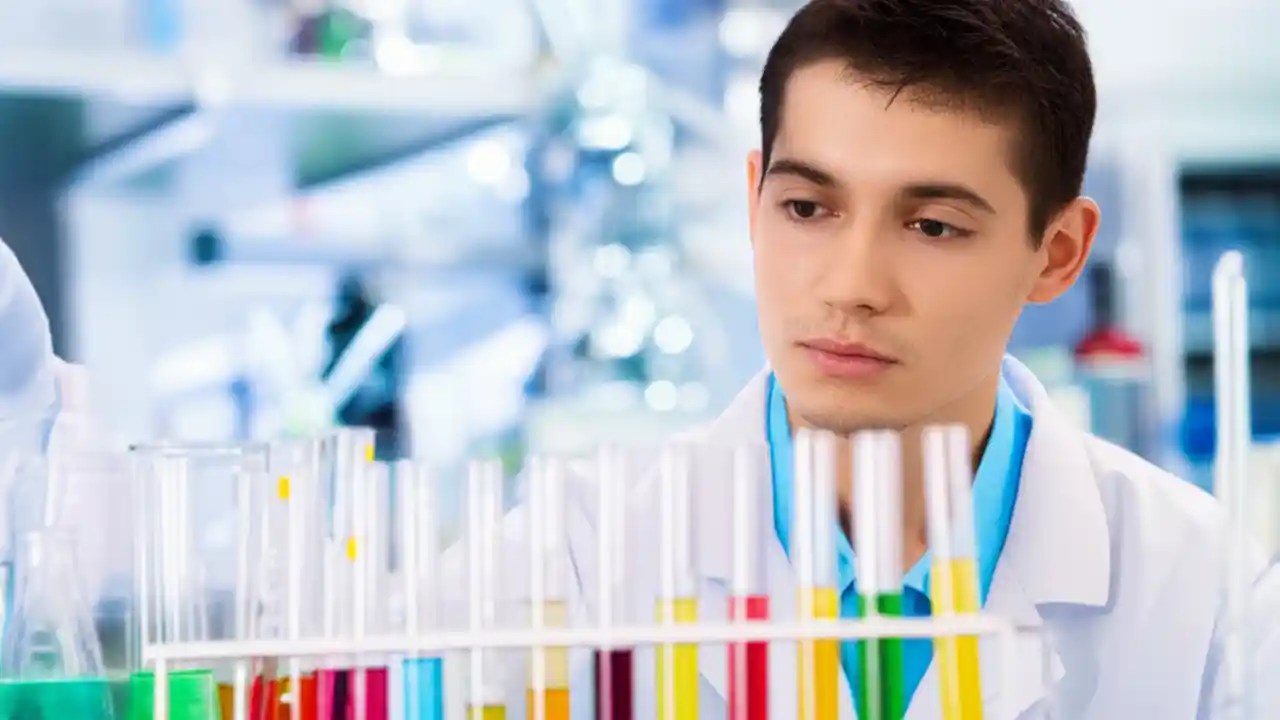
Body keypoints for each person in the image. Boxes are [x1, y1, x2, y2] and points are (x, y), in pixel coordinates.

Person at [441, 1, 1279, 717]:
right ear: (753, 201)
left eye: (933, 226)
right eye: (807, 207)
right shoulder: (575, 559)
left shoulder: (1201, 592)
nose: (851, 287)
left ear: (1056, 254)